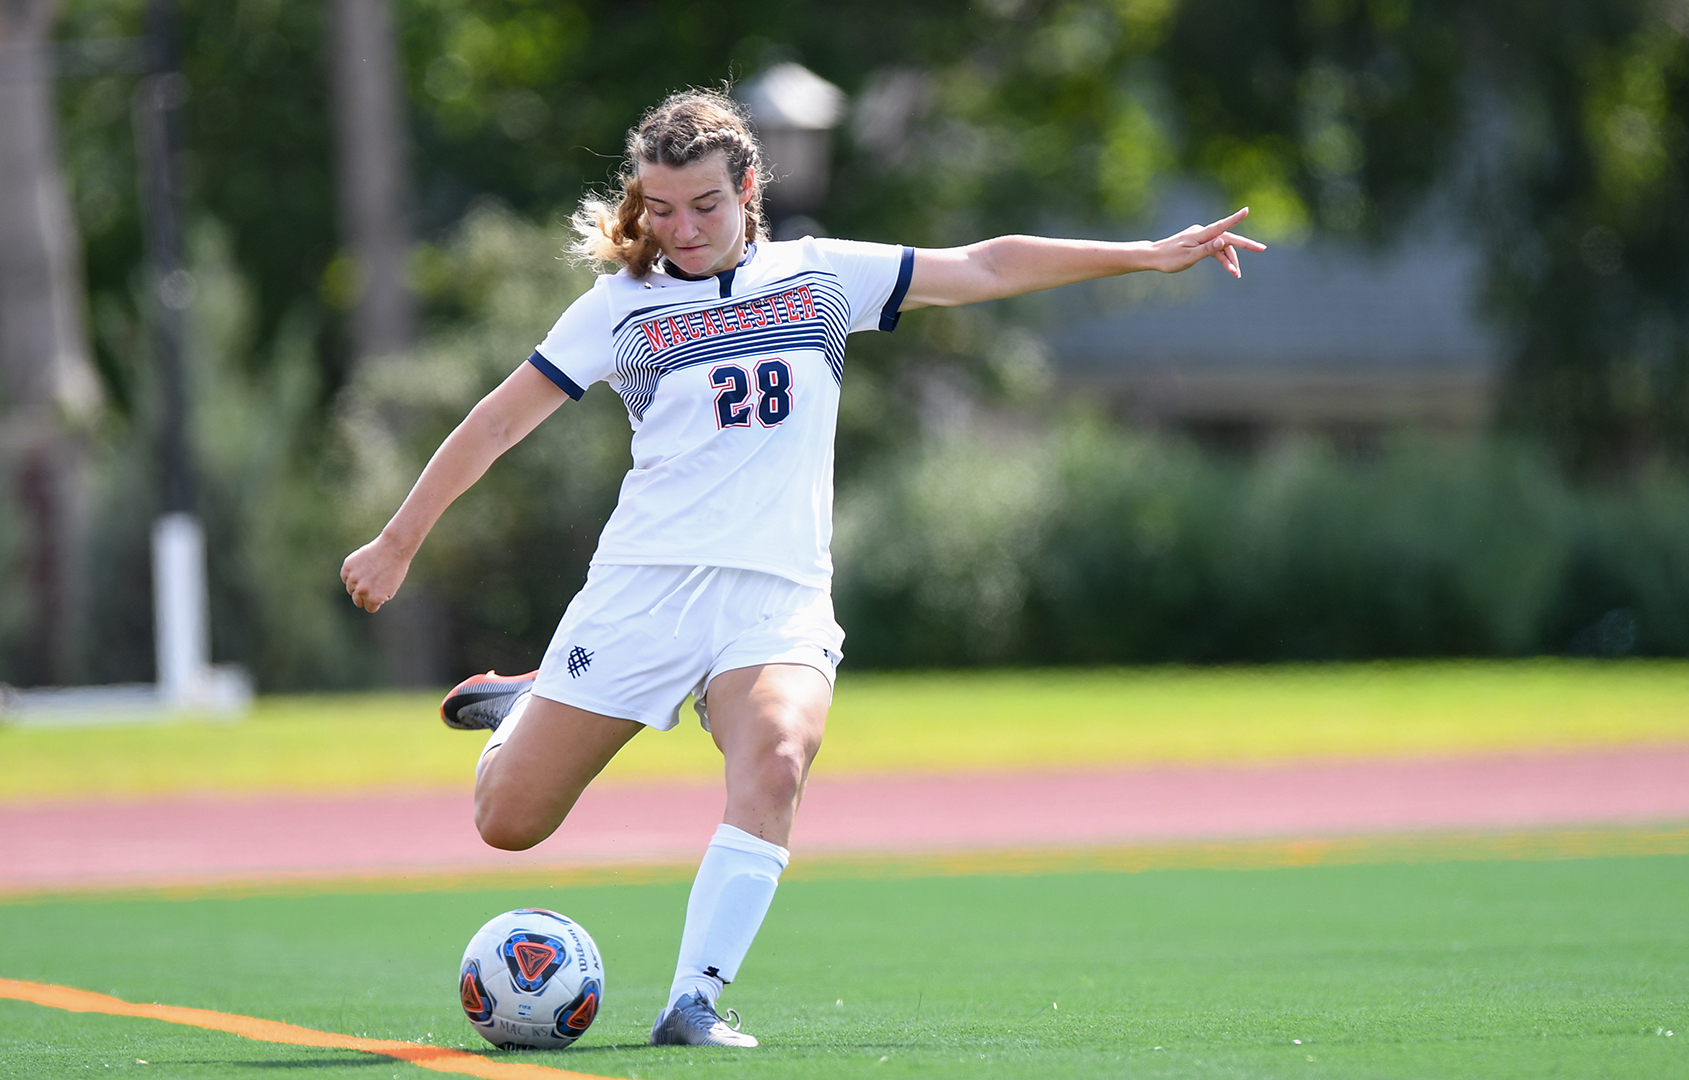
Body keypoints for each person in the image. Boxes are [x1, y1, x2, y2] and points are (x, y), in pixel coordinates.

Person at [339, 87, 1263, 1049]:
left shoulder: (821, 278)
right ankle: (528, 706)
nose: (682, 228)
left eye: (705, 205)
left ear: (748, 189)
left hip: (775, 598)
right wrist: (398, 539)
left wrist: (1147, 254)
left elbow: (984, 265)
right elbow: (495, 421)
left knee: (778, 759)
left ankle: (693, 1001)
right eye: (660, 209)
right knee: (509, 824)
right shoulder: (616, 308)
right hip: (642, 594)